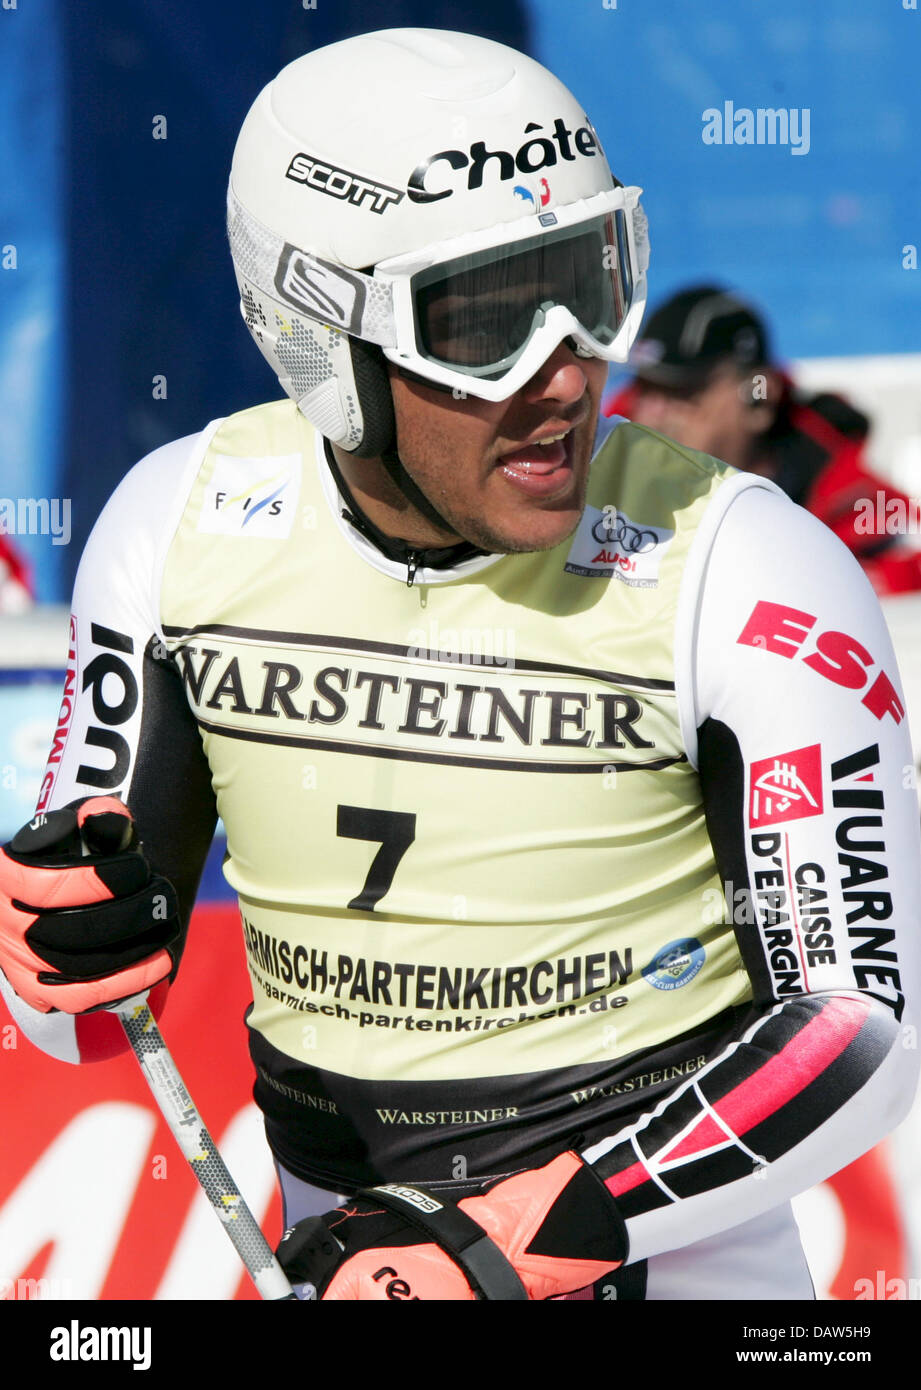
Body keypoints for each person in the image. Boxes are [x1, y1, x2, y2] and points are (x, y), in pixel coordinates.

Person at [0, 28, 918, 1302]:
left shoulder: (742, 562)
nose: (563, 374)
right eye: (481, 315)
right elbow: (78, 1025)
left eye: (592, 284)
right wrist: (57, 940)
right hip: (349, 1263)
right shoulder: (179, 527)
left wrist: (508, 1241)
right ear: (323, 334)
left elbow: (866, 1027)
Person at [603, 284, 921, 595]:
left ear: (760, 400)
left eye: (684, 392)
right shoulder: (598, 460)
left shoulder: (848, 503)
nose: (652, 413)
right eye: (644, 388)